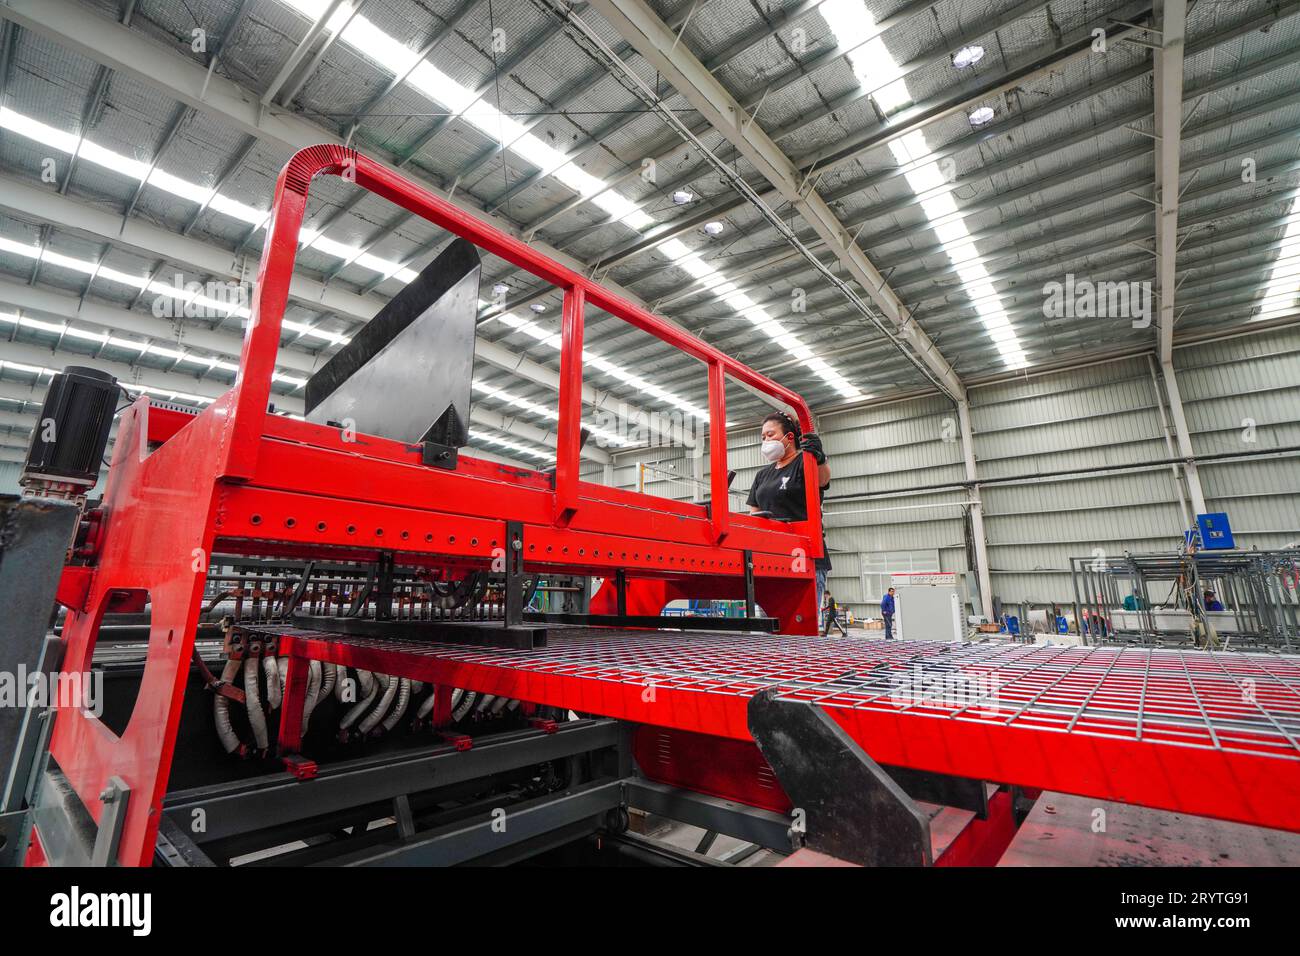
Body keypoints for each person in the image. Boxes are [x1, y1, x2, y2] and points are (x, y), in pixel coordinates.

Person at [745, 412, 831, 616]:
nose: (765, 440)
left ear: (789, 437)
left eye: (771, 434)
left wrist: (819, 457)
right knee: (767, 625)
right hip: (770, 557)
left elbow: (822, 480)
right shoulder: (762, 475)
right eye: (763, 437)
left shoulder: (805, 461)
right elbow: (754, 516)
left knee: (799, 622)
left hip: (804, 555)